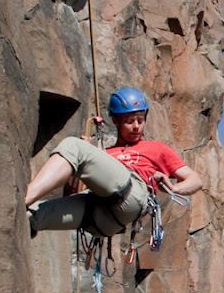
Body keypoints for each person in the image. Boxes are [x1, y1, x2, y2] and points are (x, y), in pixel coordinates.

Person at [25, 87, 204, 235]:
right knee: (30, 216)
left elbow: (195, 180)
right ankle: (22, 210)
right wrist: (79, 165)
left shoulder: (157, 149)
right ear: (115, 121)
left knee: (74, 146)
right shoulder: (106, 153)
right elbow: (73, 193)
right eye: (129, 121)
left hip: (132, 196)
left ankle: (24, 196)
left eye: (140, 120)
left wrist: (173, 189)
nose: (136, 126)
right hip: (102, 215)